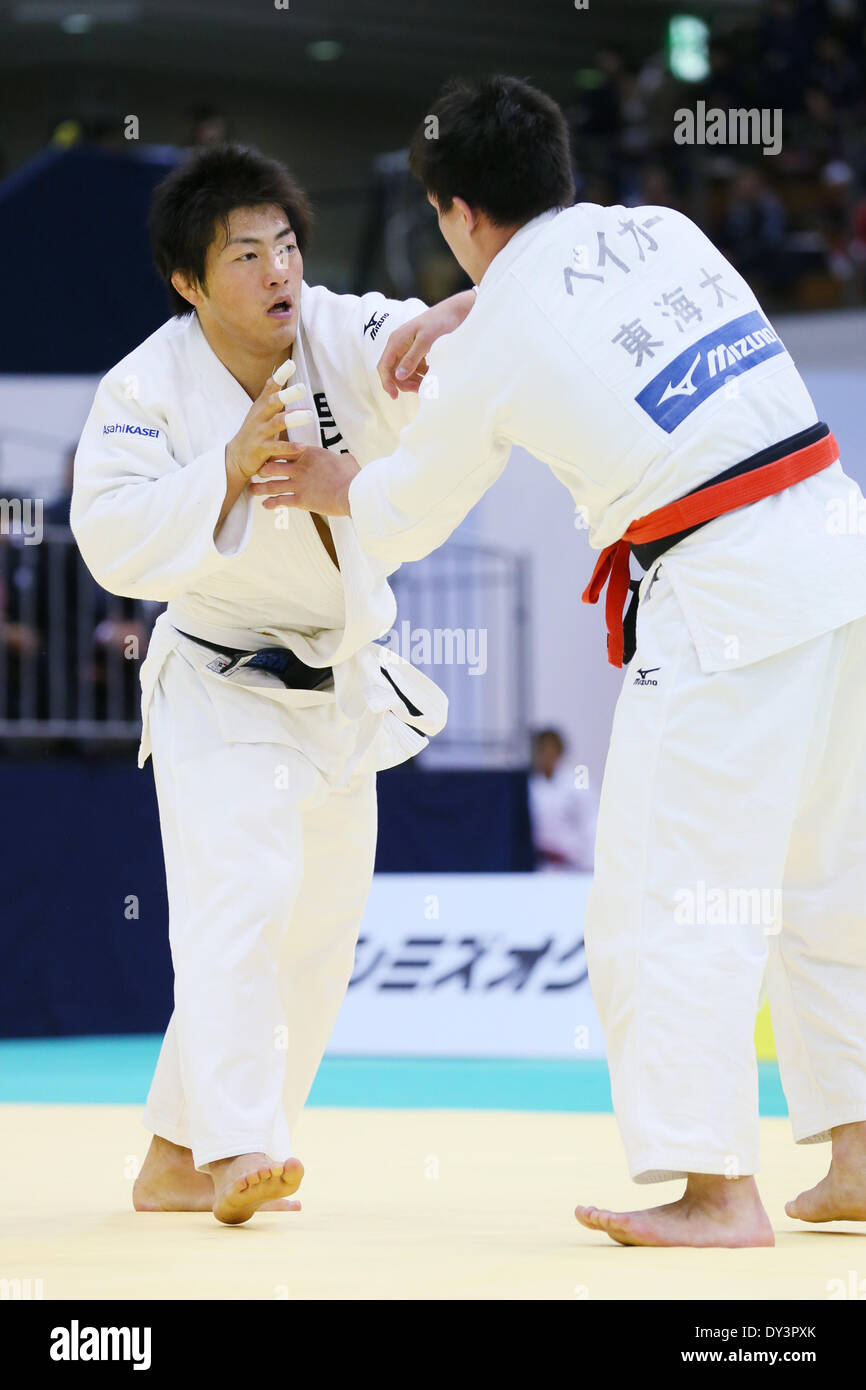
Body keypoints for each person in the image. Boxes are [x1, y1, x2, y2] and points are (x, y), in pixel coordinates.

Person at [261, 76, 866, 1248]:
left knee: (664, 892)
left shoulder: (501, 335)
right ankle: (855, 1147)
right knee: (824, 874)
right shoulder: (662, 227)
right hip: (839, 550)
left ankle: (711, 1185)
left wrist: (341, 485)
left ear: (453, 212)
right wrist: (461, 310)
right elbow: (542, 303)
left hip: (724, 594)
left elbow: (407, 509)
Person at [71, 143, 469, 1224]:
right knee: (236, 905)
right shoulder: (145, 388)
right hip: (220, 681)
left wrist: (450, 321)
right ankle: (241, 1147)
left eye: (285, 245)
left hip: (338, 683)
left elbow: (405, 338)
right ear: (188, 281)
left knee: (315, 937)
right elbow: (109, 540)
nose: (277, 271)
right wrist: (227, 468)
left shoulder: (339, 331)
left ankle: (171, 1158)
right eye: (243, 255)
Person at [528, 728, 596, 872]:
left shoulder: (578, 780)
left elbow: (591, 821)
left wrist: (591, 864)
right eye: (542, 750)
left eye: (551, 750)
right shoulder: (529, 785)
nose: (546, 756)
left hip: (574, 865)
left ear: (560, 752)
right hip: (540, 866)